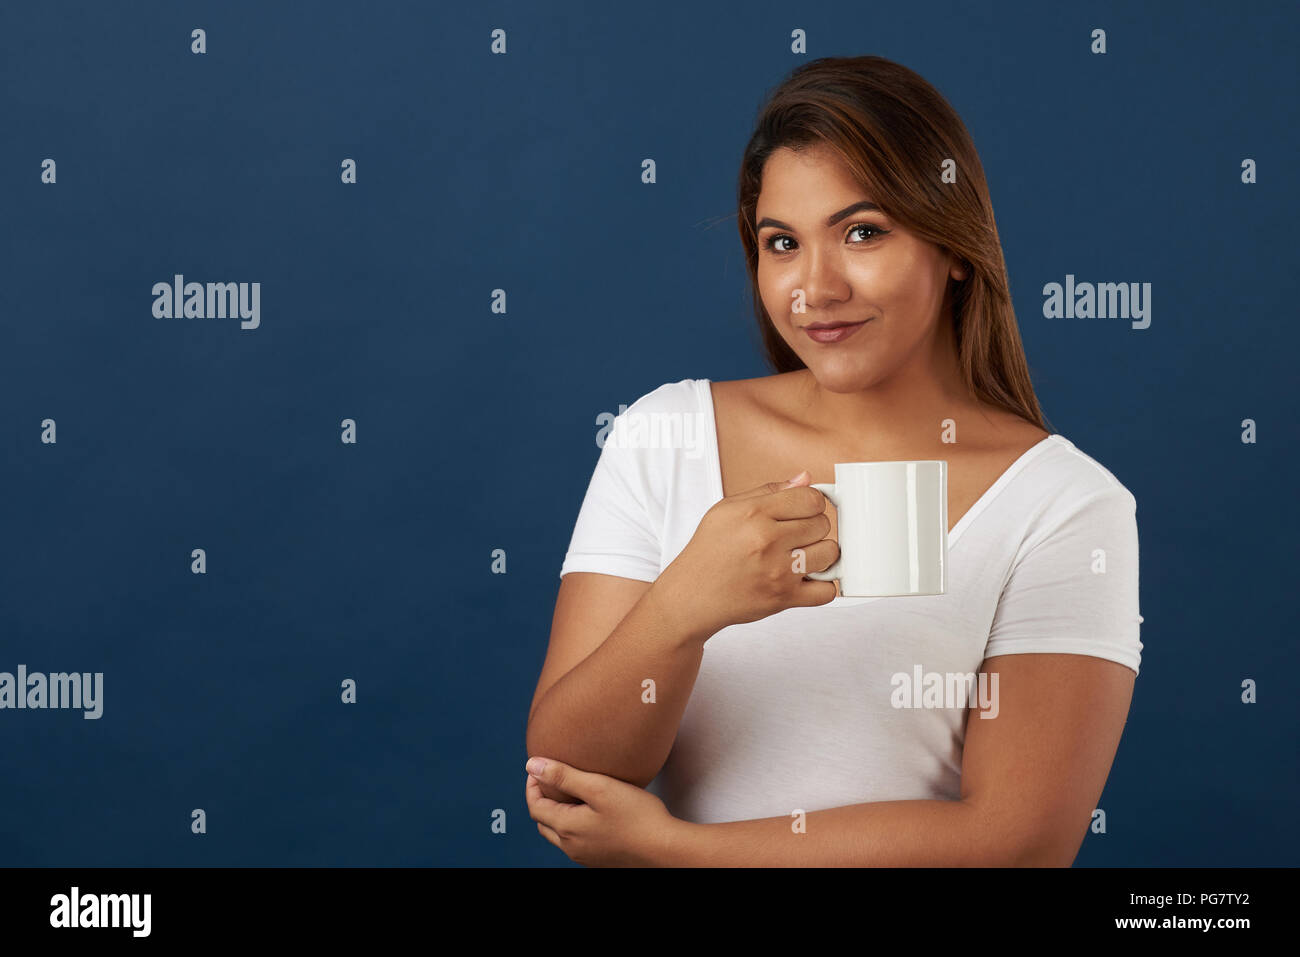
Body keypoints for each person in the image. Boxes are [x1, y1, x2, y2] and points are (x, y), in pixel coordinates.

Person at [524, 55, 1141, 867]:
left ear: (955, 247)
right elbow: (568, 776)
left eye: (862, 232)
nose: (814, 287)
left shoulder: (1064, 503)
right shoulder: (664, 435)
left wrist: (680, 851)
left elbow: (1019, 843)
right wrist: (683, 606)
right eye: (782, 243)